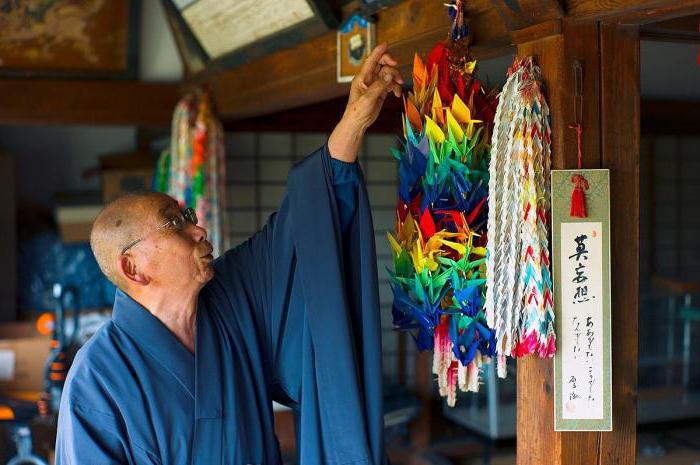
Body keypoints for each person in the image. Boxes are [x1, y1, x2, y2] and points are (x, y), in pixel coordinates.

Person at [55, 44, 404, 465]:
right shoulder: (98, 379)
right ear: (134, 267)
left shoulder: (230, 298)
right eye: (175, 223)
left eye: (187, 216)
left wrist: (355, 120)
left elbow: (301, 229)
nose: (198, 228)